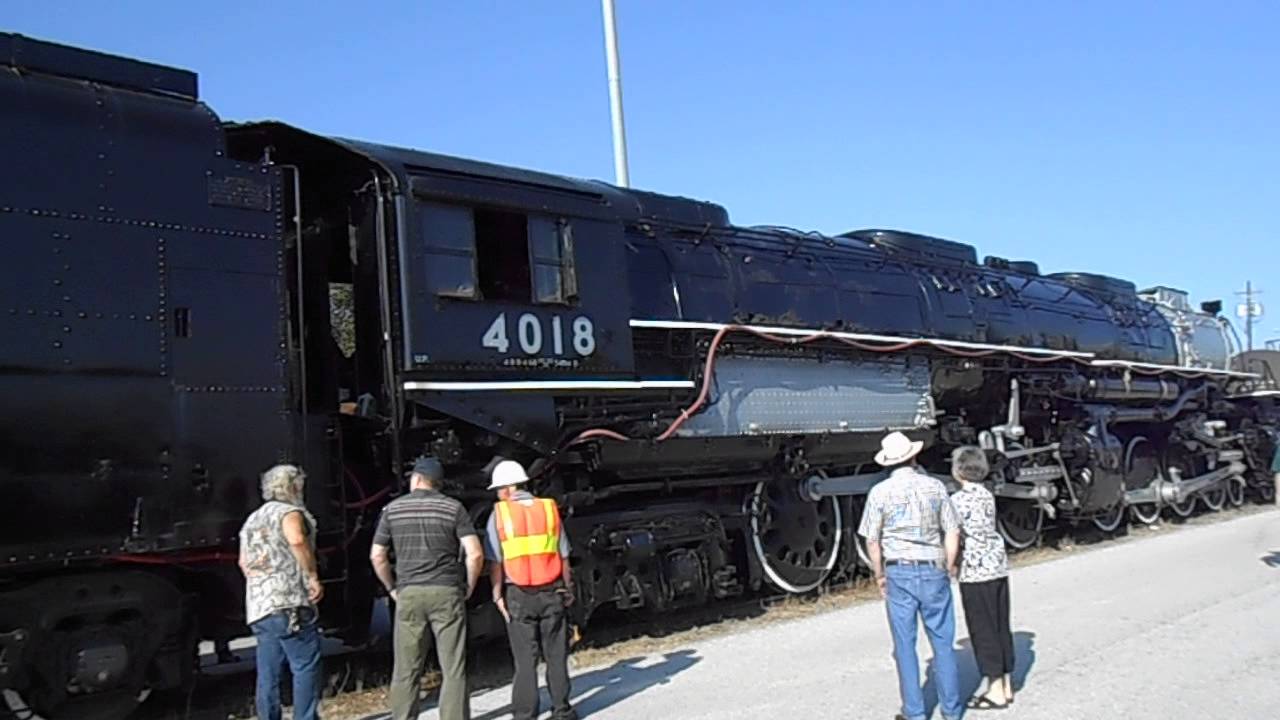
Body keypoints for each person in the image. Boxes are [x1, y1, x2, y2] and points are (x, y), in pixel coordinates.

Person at [857, 431, 963, 720]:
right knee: (943, 643)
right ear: (914, 456)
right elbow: (952, 530)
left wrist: (879, 575)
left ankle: (915, 713)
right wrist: (949, 564)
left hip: (898, 571)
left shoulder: (879, 492)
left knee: (904, 645)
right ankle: (952, 712)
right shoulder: (936, 487)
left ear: (889, 462)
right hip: (933, 568)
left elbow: (872, 541)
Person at [370, 457, 485, 720]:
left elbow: (377, 555)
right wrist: (468, 584)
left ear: (418, 479)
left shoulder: (392, 510)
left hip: (409, 592)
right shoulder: (453, 508)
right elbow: (475, 554)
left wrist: (391, 587)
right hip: (446, 591)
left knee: (407, 668)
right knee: (453, 667)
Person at [485, 460, 578, 720]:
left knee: (525, 660)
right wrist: (567, 588)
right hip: (552, 591)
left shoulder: (500, 514)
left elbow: (496, 561)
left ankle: (525, 715)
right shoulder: (548, 510)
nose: (498, 494)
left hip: (519, 595)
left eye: (499, 489)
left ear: (508, 487)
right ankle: (561, 710)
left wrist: (496, 594)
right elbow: (564, 556)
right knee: (556, 654)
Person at [238, 464, 324, 720]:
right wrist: (311, 576)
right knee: (306, 664)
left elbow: (243, 562)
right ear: (293, 486)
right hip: (289, 601)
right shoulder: (290, 512)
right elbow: (296, 539)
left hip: (259, 606)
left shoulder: (253, 519)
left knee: (268, 671)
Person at [949, 446, 1016, 710]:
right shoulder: (987, 495)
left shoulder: (957, 501)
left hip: (975, 571)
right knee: (1000, 623)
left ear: (958, 471)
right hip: (997, 565)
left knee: (983, 628)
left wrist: (949, 564)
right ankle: (1007, 682)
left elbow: (954, 535)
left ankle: (996, 689)